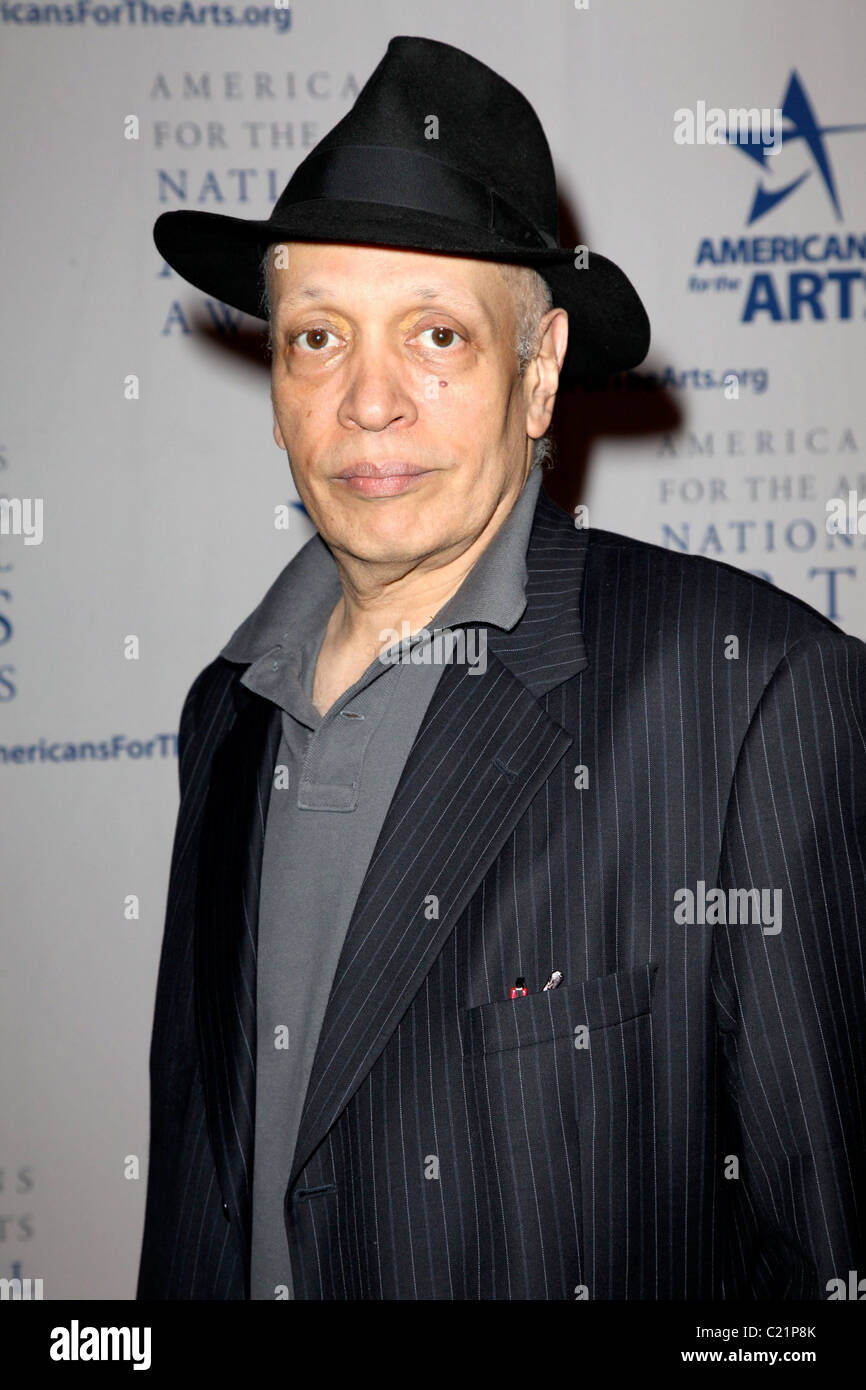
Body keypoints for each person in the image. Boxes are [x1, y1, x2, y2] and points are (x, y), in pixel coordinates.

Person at [137, 34, 866, 1301]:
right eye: (317, 337)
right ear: (274, 383)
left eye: (433, 335)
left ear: (536, 378)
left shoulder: (751, 697)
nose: (366, 400)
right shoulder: (225, 711)